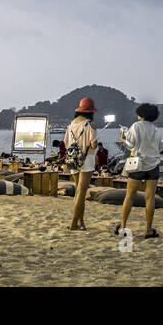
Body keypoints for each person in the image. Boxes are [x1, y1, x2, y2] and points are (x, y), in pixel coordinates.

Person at [116, 103, 162, 239]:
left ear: (141, 114)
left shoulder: (136, 126)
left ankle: (123, 227)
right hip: (153, 165)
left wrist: (123, 138)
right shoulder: (156, 129)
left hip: (137, 164)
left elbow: (130, 143)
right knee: (150, 198)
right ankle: (148, 229)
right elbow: (160, 147)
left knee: (129, 196)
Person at [65, 97, 99, 231]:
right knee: (81, 192)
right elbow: (94, 144)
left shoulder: (71, 124)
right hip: (87, 159)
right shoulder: (90, 124)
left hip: (73, 159)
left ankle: (81, 223)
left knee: (79, 192)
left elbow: (66, 143)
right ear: (90, 112)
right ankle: (74, 224)